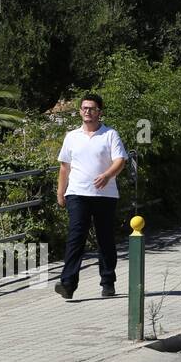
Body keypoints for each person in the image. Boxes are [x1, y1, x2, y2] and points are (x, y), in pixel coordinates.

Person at [55, 93, 128, 300]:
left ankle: (107, 282)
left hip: (105, 195)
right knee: (76, 237)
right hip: (77, 194)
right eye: (84, 108)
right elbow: (64, 166)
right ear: (80, 111)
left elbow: (120, 160)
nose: (87, 111)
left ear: (99, 112)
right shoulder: (72, 136)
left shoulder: (110, 134)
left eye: (92, 108)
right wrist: (61, 192)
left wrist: (107, 175)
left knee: (105, 238)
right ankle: (68, 283)